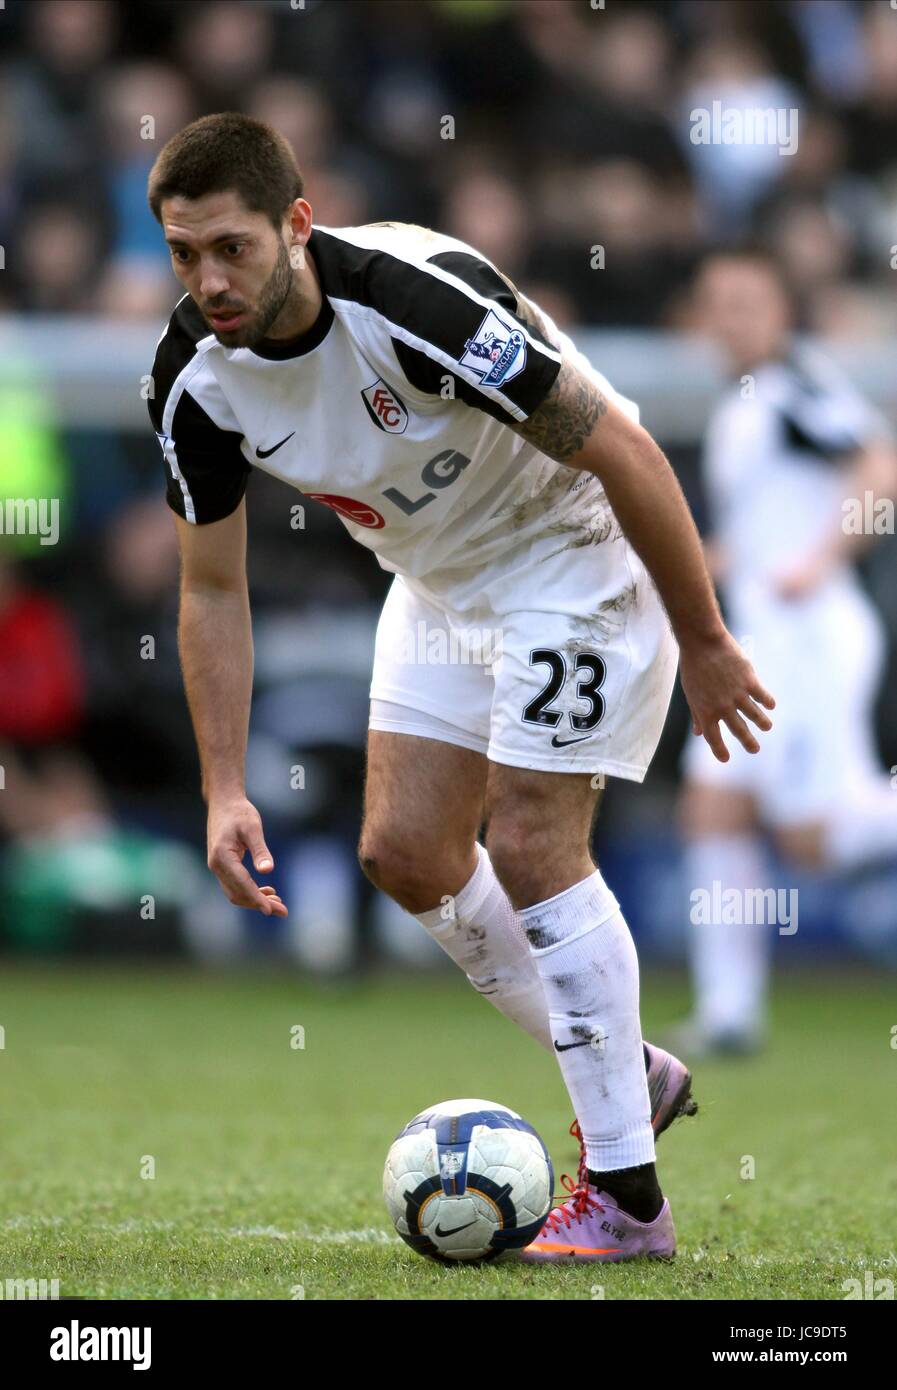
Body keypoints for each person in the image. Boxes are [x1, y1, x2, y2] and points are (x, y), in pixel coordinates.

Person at [146, 114, 774, 1262]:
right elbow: (211, 588)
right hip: (439, 582)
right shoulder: (192, 380)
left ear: (297, 223)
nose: (209, 280)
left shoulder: (413, 303)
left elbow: (622, 450)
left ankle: (628, 1200)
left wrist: (706, 640)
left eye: (232, 247)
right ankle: (630, 1073)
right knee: (405, 852)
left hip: (570, 541)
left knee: (532, 841)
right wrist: (223, 785)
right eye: (184, 253)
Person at [674, 250, 897, 1056]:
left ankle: (729, 1011)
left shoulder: (794, 387)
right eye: (718, 304)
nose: (731, 320)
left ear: (781, 313)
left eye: (748, 303)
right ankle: (728, 1015)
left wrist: (819, 560)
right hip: (761, 641)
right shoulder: (744, 404)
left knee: (816, 841)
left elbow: (879, 468)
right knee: (714, 806)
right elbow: (759, 534)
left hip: (811, 641)